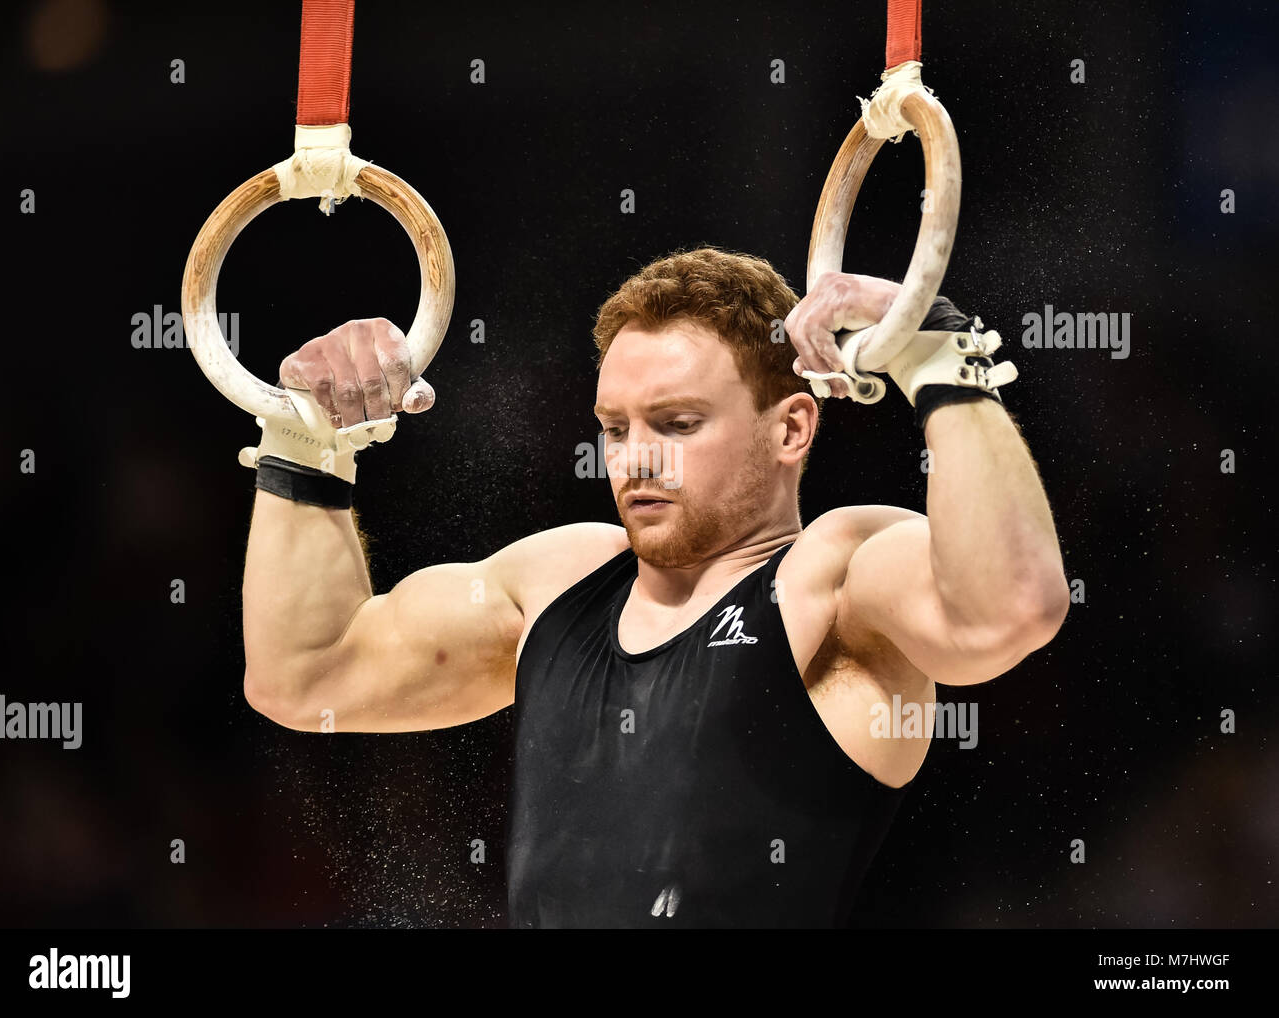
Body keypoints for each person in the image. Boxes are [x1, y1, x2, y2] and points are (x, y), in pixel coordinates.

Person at [240, 246, 1069, 928]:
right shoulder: (559, 584)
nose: (634, 458)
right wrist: (304, 444)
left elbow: (1011, 605)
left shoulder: (833, 577)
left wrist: (936, 354)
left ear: (790, 427)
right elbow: (305, 675)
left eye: (676, 424)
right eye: (614, 427)